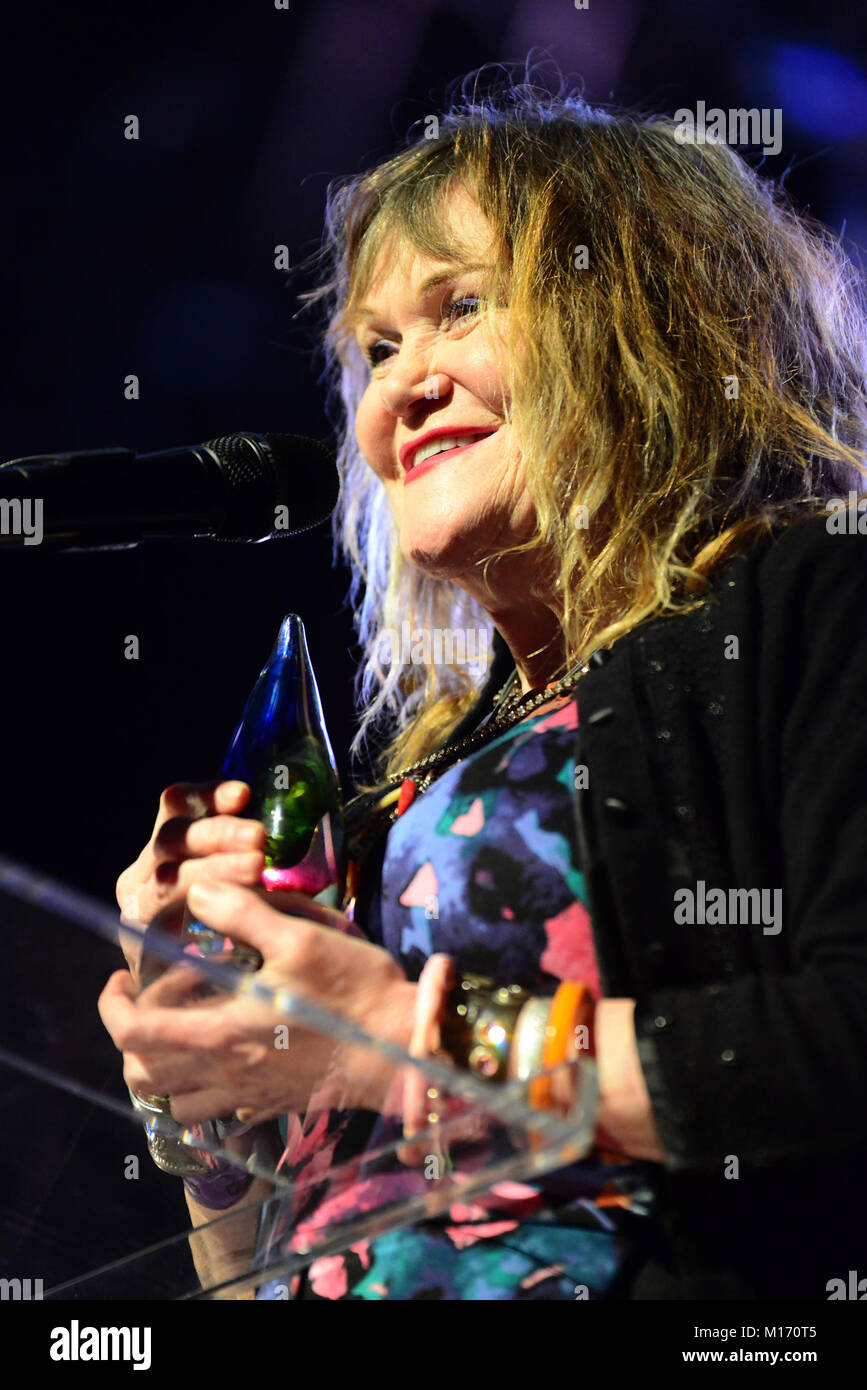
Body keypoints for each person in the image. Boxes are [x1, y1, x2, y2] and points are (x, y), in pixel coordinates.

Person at [98, 68, 867, 1301]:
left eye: (461, 308)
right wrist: (206, 1099)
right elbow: (265, 1272)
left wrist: (407, 1033)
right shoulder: (405, 781)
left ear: (645, 316)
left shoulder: (813, 601)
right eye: (378, 347)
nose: (398, 387)